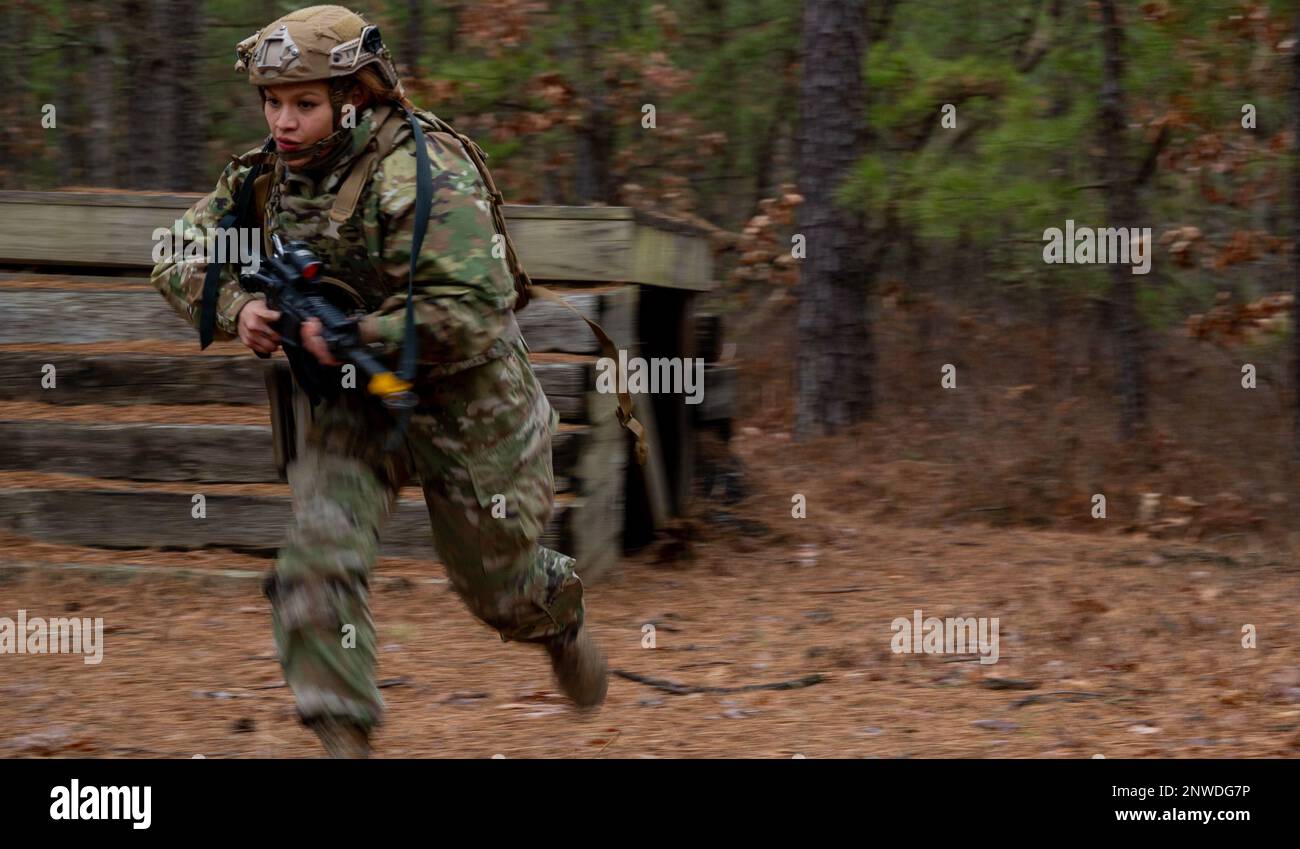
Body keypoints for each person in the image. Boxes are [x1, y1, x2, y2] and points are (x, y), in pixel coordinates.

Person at [149, 4, 608, 758]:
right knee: (313, 569)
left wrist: (350, 333)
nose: (283, 121)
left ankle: (555, 620)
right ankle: (343, 740)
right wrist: (242, 307)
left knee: (498, 588)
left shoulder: (424, 176)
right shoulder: (265, 179)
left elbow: (474, 312)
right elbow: (173, 249)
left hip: (467, 403)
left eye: (304, 103)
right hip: (354, 409)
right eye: (272, 102)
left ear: (354, 95)